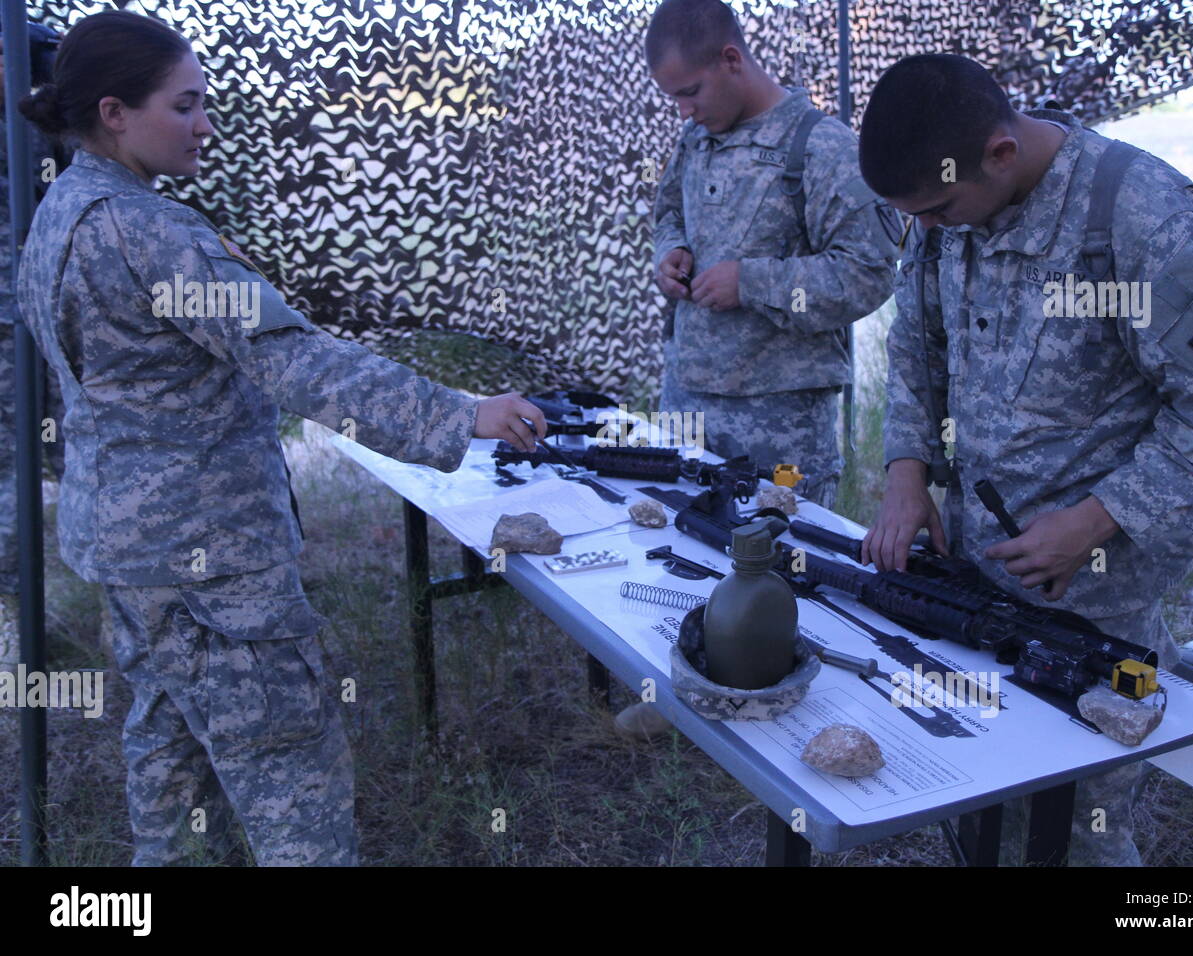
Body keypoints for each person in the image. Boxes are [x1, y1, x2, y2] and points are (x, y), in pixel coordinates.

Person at [15, 10, 546, 866]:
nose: (204, 126)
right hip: (211, 562)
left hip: (128, 550)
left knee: (171, 766)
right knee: (289, 782)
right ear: (114, 112)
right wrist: (457, 414)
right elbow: (292, 360)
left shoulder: (58, 215)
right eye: (184, 106)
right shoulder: (150, 232)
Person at [858, 54, 1193, 865]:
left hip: (1096, 604)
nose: (934, 229)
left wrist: (1091, 523)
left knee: (1077, 834)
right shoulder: (951, 212)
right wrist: (906, 474)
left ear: (1001, 153)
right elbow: (917, 343)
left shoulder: (1142, 218)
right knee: (983, 803)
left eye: (940, 209)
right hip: (975, 582)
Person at [617, 0, 900, 741]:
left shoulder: (822, 148)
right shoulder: (694, 140)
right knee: (684, 547)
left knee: (781, 566)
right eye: (673, 97)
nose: (682, 108)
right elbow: (667, 216)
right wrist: (668, 256)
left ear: (732, 61)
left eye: (690, 91)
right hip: (690, 391)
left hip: (784, 413)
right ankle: (689, 686)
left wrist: (756, 283)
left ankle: (790, 722)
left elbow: (869, 273)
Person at [0, 20, 64, 667]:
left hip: (57, 313)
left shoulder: (45, 95)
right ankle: (14, 626)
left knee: (80, 451)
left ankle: (130, 603)